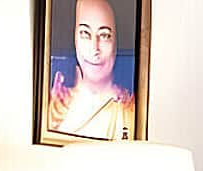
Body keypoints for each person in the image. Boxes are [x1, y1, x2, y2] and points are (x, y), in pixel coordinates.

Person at [47, 0, 137, 140]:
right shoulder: (53, 106)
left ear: (117, 42)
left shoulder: (130, 112)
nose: (94, 49)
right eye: (85, 33)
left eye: (105, 35)